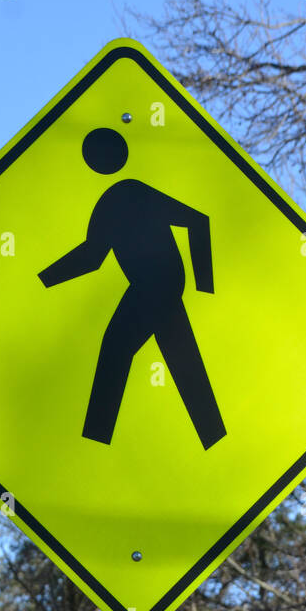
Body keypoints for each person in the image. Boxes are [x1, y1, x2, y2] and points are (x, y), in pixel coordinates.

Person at [39, 127, 226, 450]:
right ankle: (215, 438)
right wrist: (44, 279)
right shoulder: (111, 201)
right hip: (153, 286)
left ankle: (94, 442)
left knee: (115, 349)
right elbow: (93, 256)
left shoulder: (131, 192)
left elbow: (197, 221)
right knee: (181, 360)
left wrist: (205, 287)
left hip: (158, 284)